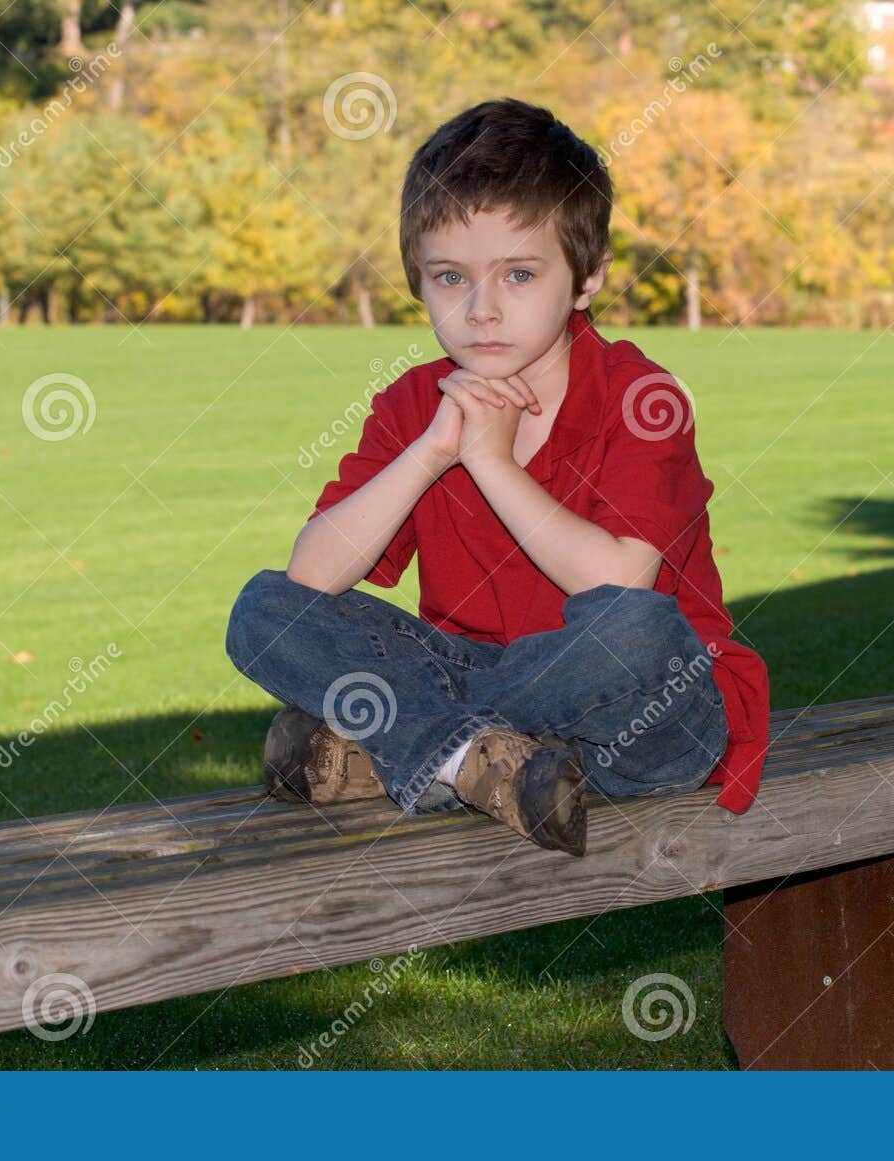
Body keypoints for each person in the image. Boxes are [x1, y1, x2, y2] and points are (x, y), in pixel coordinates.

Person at [225, 97, 770, 857]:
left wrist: (492, 461)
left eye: (518, 274)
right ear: (418, 279)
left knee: (639, 631)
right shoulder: (416, 404)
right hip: (483, 671)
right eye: (450, 277)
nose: (481, 309)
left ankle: (421, 749)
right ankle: (478, 762)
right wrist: (432, 452)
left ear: (584, 280)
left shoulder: (640, 397)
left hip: (640, 709)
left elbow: (619, 581)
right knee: (262, 610)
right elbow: (312, 575)